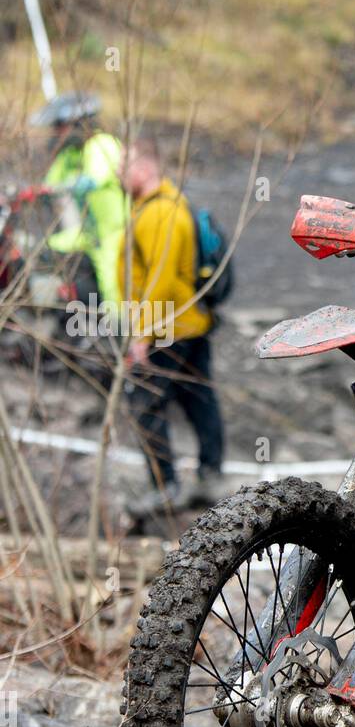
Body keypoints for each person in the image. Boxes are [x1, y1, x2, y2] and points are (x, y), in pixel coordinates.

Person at [118, 138, 224, 517]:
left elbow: (160, 280)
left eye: (124, 164)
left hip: (169, 325)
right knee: (198, 397)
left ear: (145, 168)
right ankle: (210, 476)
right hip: (188, 323)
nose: (118, 171)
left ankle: (166, 487)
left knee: (144, 402)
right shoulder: (165, 205)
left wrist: (142, 335)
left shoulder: (159, 212)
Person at [31, 92, 126, 306]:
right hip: (87, 234)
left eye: (59, 126)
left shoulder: (103, 144)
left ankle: (118, 332)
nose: (56, 132)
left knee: (113, 291)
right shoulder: (70, 154)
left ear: (77, 124)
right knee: (43, 251)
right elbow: (48, 185)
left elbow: (92, 180)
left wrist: (61, 186)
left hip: (114, 234)